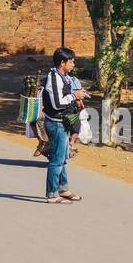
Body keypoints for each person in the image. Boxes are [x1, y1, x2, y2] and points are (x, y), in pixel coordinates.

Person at [42, 47, 84, 204]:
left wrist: (78, 95)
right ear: (62, 62)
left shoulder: (64, 76)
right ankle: (52, 194)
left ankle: (63, 188)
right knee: (57, 159)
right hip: (56, 123)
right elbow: (57, 103)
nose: (74, 64)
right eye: (71, 61)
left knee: (62, 158)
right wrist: (74, 96)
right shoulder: (54, 78)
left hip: (63, 122)